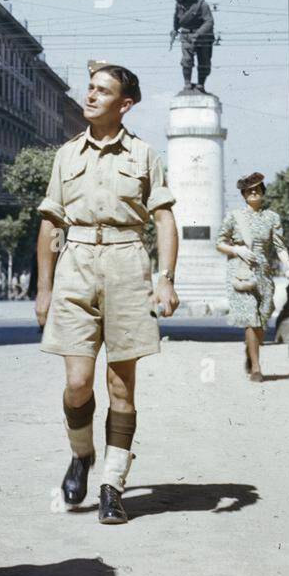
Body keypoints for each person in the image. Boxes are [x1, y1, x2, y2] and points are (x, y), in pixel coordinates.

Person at [36, 62, 179, 525]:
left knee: (120, 384)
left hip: (125, 263)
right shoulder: (66, 155)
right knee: (77, 383)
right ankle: (81, 454)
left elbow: (163, 220)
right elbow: (49, 223)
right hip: (75, 264)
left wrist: (166, 278)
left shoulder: (144, 155)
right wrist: (44, 287)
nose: (91, 96)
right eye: (90, 88)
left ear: (125, 104)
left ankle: (112, 485)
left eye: (103, 91)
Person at [216, 172, 289, 381]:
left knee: (262, 320)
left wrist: (287, 265)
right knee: (251, 318)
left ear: (263, 192)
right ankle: (257, 368)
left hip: (263, 272)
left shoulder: (272, 217)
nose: (253, 192)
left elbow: (279, 246)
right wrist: (237, 250)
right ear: (243, 194)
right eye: (249, 190)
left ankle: (250, 352)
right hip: (240, 271)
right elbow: (220, 242)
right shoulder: (234, 217)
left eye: (257, 189)